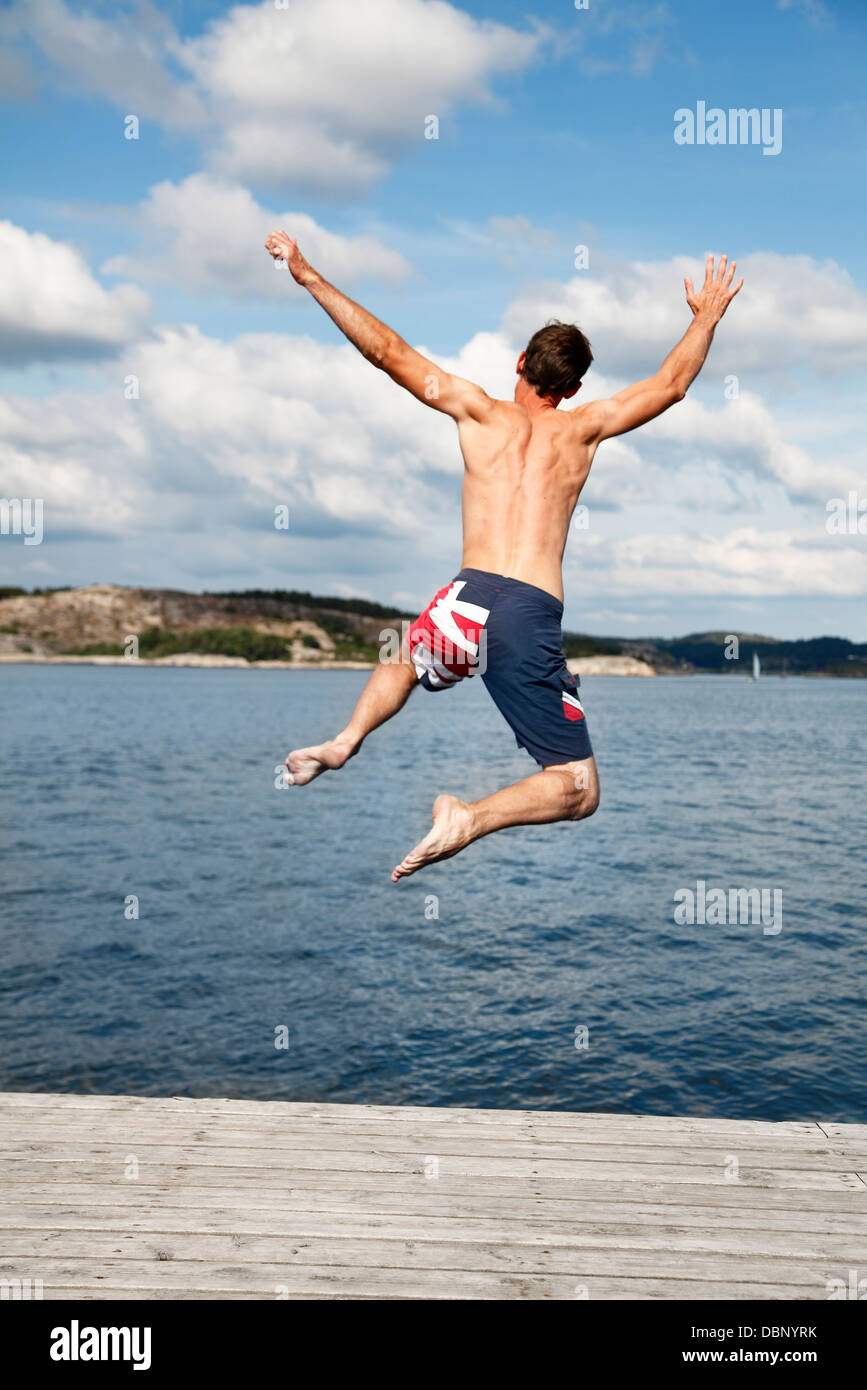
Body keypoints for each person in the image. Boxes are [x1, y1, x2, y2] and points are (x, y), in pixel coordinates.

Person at [264, 231, 743, 880]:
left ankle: (343, 742)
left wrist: (308, 275)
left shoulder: (475, 411)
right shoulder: (584, 427)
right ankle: (469, 818)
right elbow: (672, 383)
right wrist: (707, 315)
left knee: (406, 656)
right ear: (570, 389)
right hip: (526, 609)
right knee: (578, 788)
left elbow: (386, 351)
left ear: (518, 362)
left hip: (465, 595)